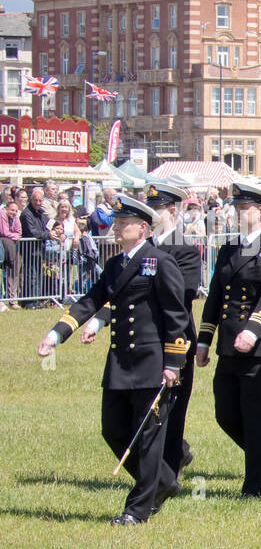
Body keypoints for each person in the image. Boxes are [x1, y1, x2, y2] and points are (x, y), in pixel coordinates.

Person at [35, 195, 190, 524]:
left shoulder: (160, 261)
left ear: (143, 228)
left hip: (152, 362)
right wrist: (56, 334)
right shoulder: (115, 265)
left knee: (146, 437)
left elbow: (177, 316)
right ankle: (161, 481)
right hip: (120, 362)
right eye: (116, 223)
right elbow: (91, 300)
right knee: (114, 430)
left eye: (124, 223)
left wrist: (173, 363)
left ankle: (136, 511)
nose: (117, 228)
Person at [195, 183, 261, 497]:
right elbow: (215, 297)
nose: (239, 214)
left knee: (255, 415)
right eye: (236, 208)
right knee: (226, 413)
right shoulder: (228, 250)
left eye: (244, 208)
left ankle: (253, 485)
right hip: (229, 346)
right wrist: (204, 340)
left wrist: (252, 331)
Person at [137, 182, 203, 480]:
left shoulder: (185, 250)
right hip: (144, 336)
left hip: (175, 337)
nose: (151, 216)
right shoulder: (144, 248)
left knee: (173, 407)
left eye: (156, 210)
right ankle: (170, 456)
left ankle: (170, 467)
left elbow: (184, 294)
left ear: (172, 212)